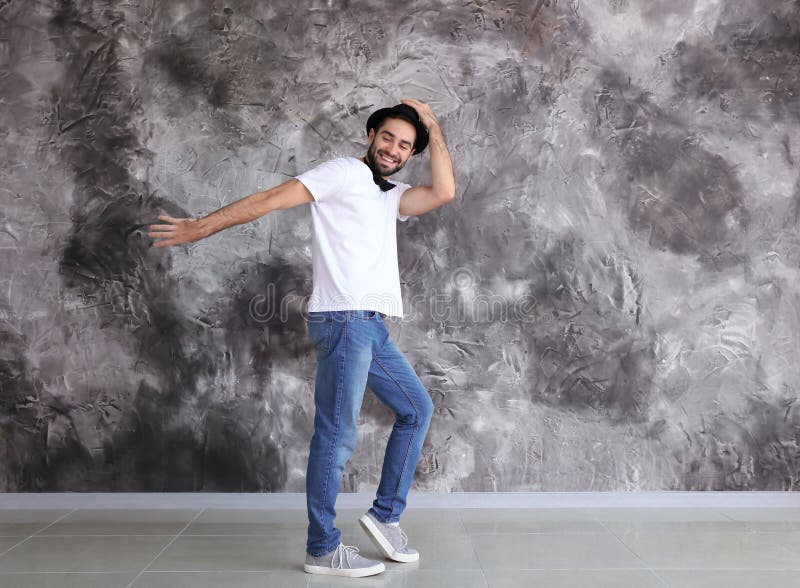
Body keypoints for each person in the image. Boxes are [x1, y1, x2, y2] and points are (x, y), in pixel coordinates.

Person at [148, 98, 456, 578]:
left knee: (416, 410)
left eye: (405, 145)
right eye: (388, 137)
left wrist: (433, 127)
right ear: (370, 135)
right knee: (337, 433)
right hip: (343, 322)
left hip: (370, 325)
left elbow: (444, 191)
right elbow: (270, 199)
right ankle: (322, 547)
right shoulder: (340, 173)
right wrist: (200, 227)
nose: (394, 149)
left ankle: (384, 516)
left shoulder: (391, 194)